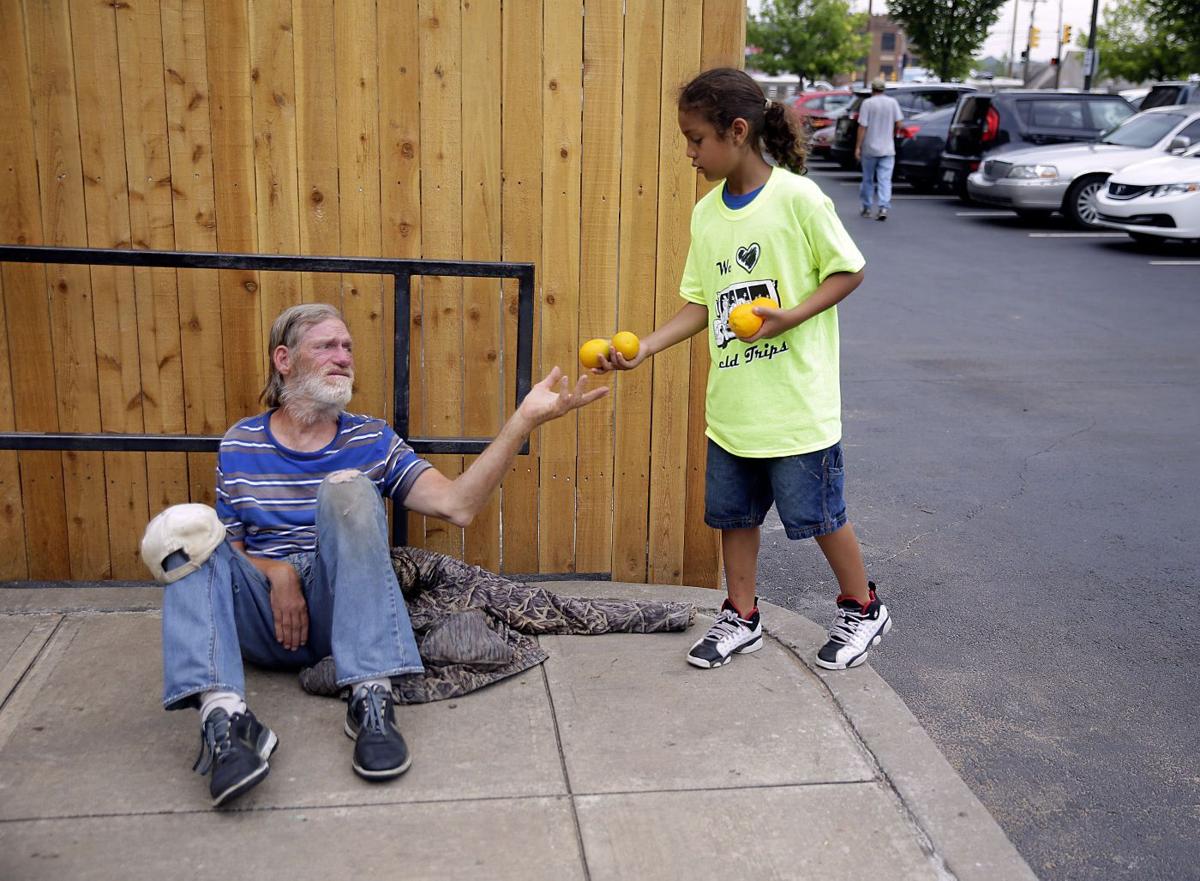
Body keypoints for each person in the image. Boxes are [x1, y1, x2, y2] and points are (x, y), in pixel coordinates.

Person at [140, 303, 607, 807]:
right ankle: (226, 718)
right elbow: (224, 556)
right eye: (326, 346)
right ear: (284, 359)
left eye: (347, 348)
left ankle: (370, 697)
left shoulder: (371, 439)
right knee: (181, 529)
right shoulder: (240, 443)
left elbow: (458, 506)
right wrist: (277, 574)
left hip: (340, 613)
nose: (342, 358)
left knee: (349, 489)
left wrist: (524, 420)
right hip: (261, 617)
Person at [593, 67, 892, 672]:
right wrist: (645, 348)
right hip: (733, 405)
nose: (688, 152)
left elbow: (849, 269)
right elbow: (702, 302)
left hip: (796, 405)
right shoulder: (707, 215)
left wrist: (792, 316)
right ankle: (742, 615)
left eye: (696, 139)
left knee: (819, 517)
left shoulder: (798, 198)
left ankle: (864, 607)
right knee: (735, 517)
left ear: (736, 131)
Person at [855, 79, 903, 221]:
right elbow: (899, 123)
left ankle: (867, 207)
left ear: (872, 89)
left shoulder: (868, 103)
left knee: (867, 179)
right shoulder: (892, 103)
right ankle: (883, 207)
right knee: (885, 179)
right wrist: (892, 133)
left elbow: (862, 126)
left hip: (870, 147)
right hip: (888, 148)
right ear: (884, 89)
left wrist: (858, 146)